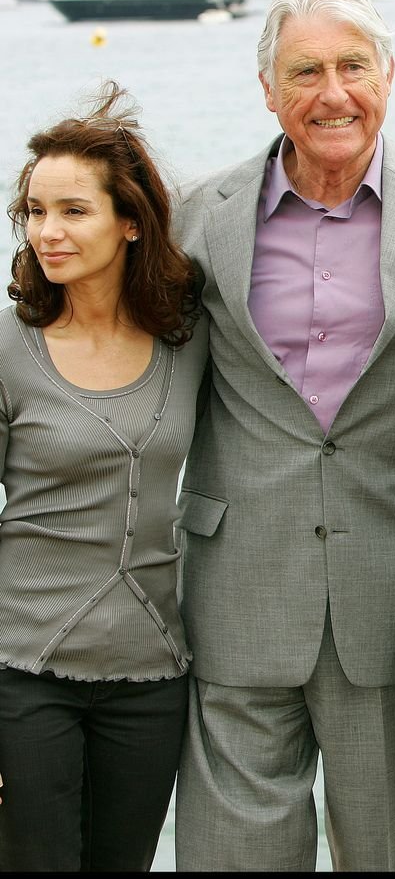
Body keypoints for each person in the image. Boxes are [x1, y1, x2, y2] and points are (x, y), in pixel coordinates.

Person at [169, 0, 395, 871]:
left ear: (389, 74)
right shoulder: (195, 217)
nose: (333, 93)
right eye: (305, 72)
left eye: (353, 67)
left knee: (394, 853)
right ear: (267, 90)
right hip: (236, 585)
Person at [0, 81, 206, 871]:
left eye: (72, 211)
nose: (48, 232)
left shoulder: (190, 343)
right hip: (23, 676)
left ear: (129, 223)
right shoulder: (9, 351)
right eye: (35, 211)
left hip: (151, 677)